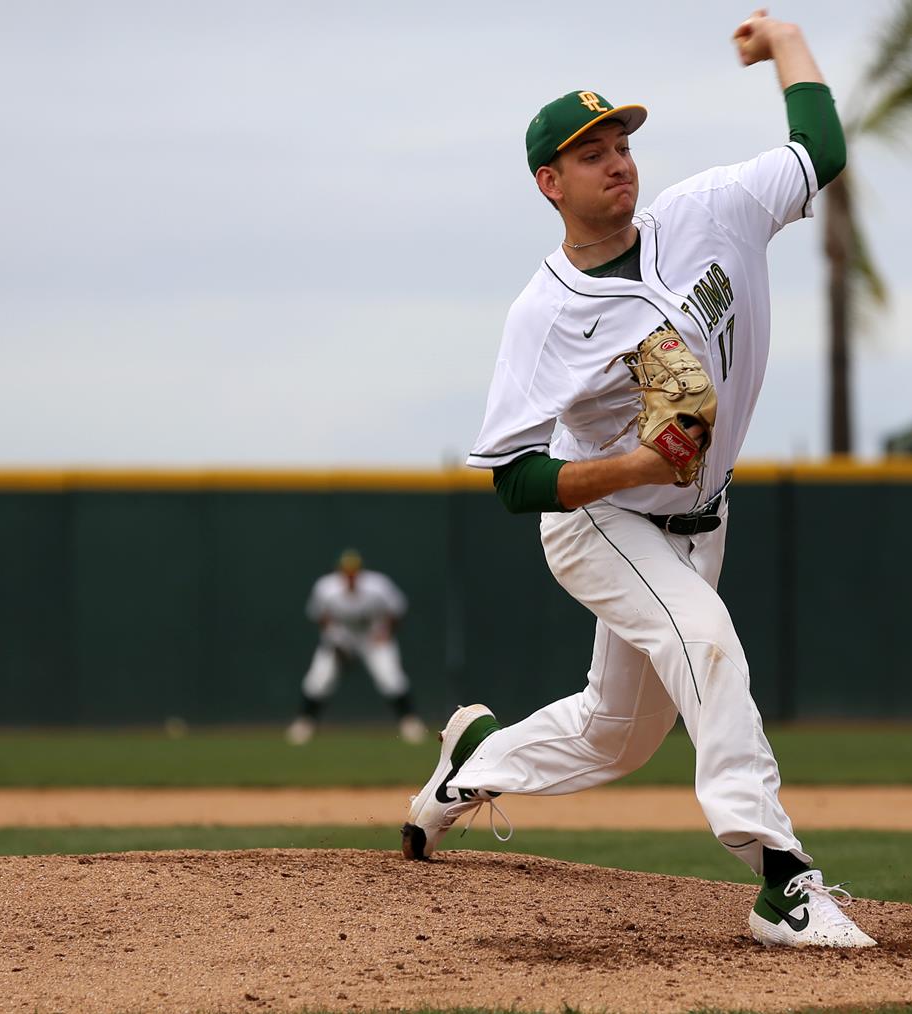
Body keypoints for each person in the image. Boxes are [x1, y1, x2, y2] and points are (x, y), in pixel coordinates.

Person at [401, 11, 873, 948]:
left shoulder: (712, 210)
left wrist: (784, 43)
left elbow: (820, 149)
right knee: (709, 644)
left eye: (620, 143)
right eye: (591, 153)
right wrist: (635, 464)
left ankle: (469, 767)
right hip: (604, 518)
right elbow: (513, 479)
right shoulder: (544, 315)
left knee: (616, 735)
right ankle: (781, 880)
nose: (617, 161)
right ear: (550, 183)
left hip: (701, 517)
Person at [288, 549, 428, 745]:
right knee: (319, 679)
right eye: (346, 572)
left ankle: (409, 723)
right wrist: (334, 640)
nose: (350, 576)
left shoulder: (377, 585)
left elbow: (397, 608)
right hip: (341, 638)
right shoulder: (326, 588)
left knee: (390, 677)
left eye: (354, 571)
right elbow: (321, 616)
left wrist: (386, 632)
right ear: (340, 571)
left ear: (360, 571)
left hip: (372, 637)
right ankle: (305, 723)